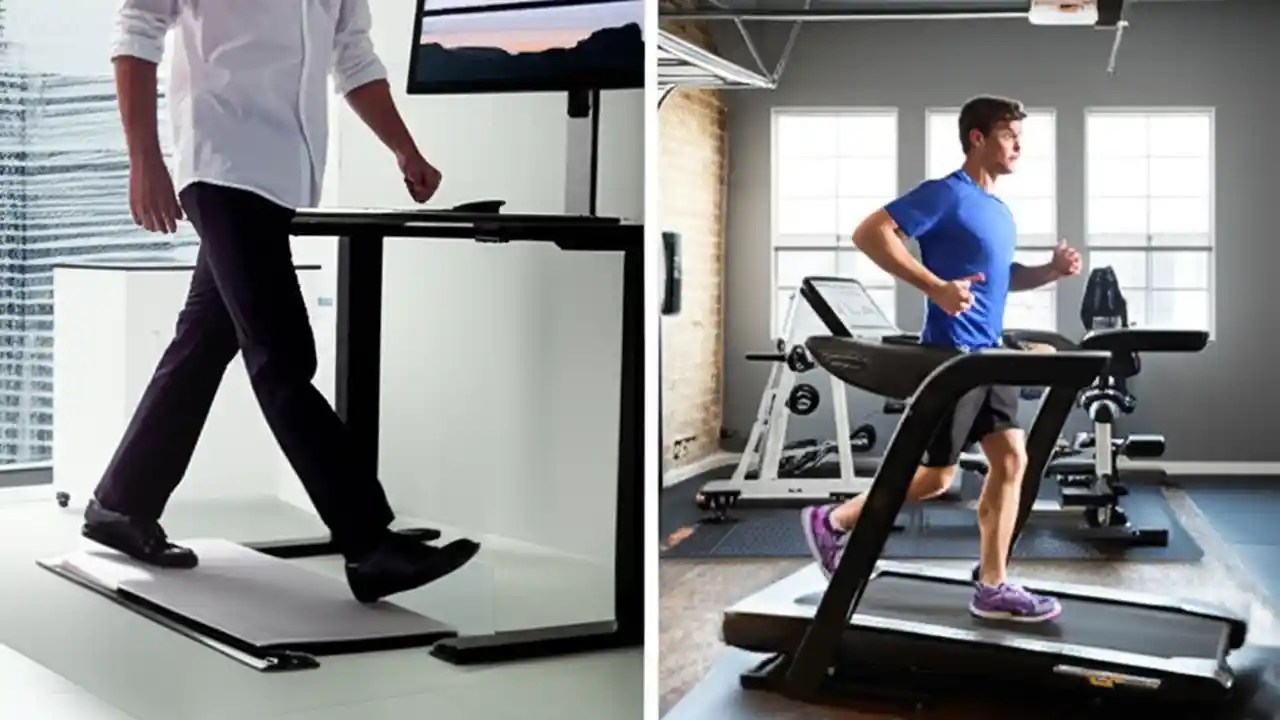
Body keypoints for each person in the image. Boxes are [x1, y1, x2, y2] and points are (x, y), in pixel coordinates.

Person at [83, 0, 480, 604]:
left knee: (204, 341)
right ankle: (370, 544)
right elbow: (136, 27)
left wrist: (404, 149)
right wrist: (143, 158)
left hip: (286, 175)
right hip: (220, 161)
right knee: (282, 357)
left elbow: (353, 55)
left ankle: (120, 502)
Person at [800, 96, 1082, 622]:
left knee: (1011, 462)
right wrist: (934, 287)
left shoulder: (998, 210)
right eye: (1009, 134)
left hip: (990, 355)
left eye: (1021, 135)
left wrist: (1049, 270)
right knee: (935, 480)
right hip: (954, 359)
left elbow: (1002, 279)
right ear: (977, 138)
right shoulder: (946, 194)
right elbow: (870, 233)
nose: (1019, 145)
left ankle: (993, 585)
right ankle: (832, 521)